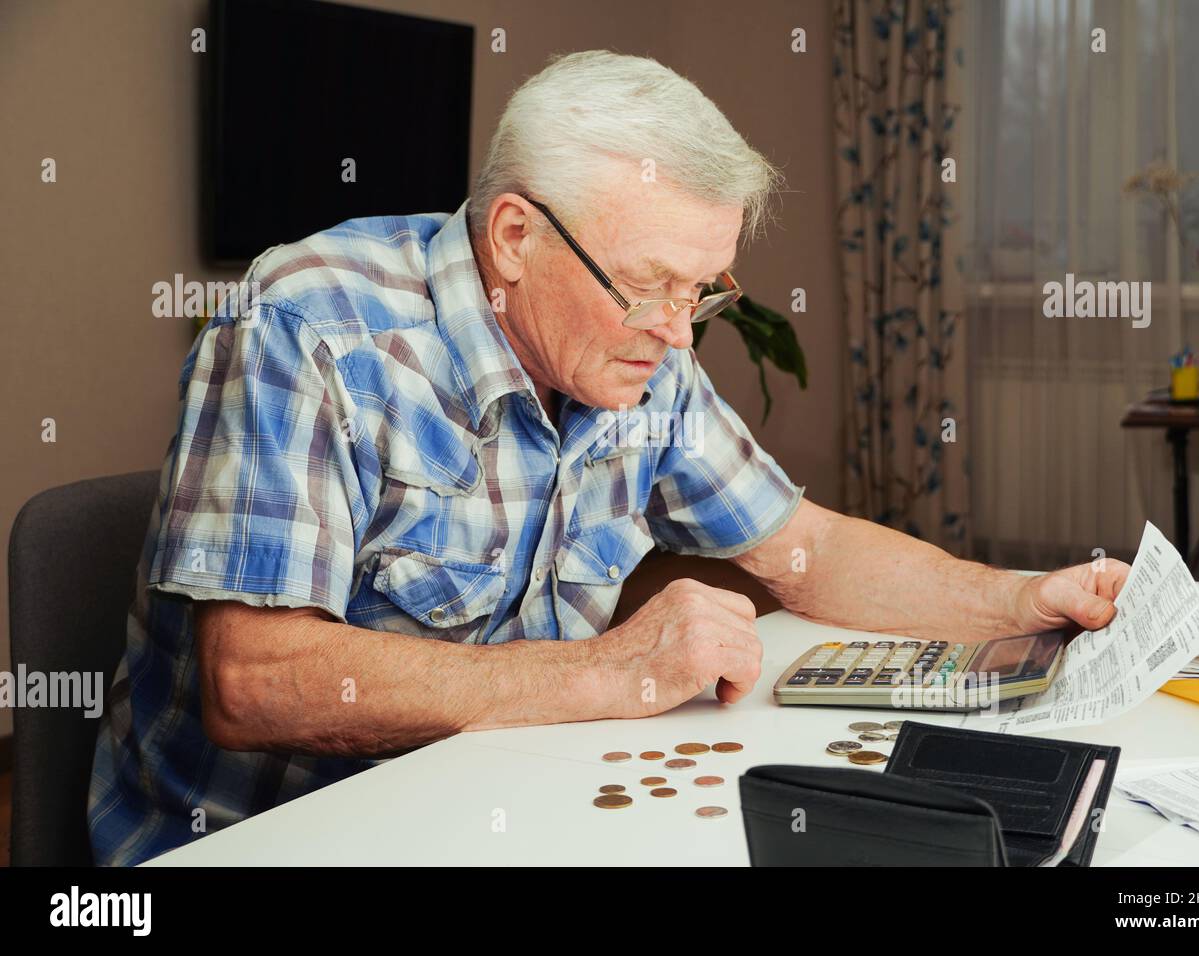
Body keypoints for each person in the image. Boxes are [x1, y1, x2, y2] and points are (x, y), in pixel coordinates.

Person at [88, 50, 1128, 866]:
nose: (679, 331)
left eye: (702, 290)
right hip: (260, 841)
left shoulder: (633, 354)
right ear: (511, 236)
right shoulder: (309, 327)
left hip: (501, 810)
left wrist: (1023, 598)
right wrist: (607, 667)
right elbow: (255, 680)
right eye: (653, 286)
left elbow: (801, 547)